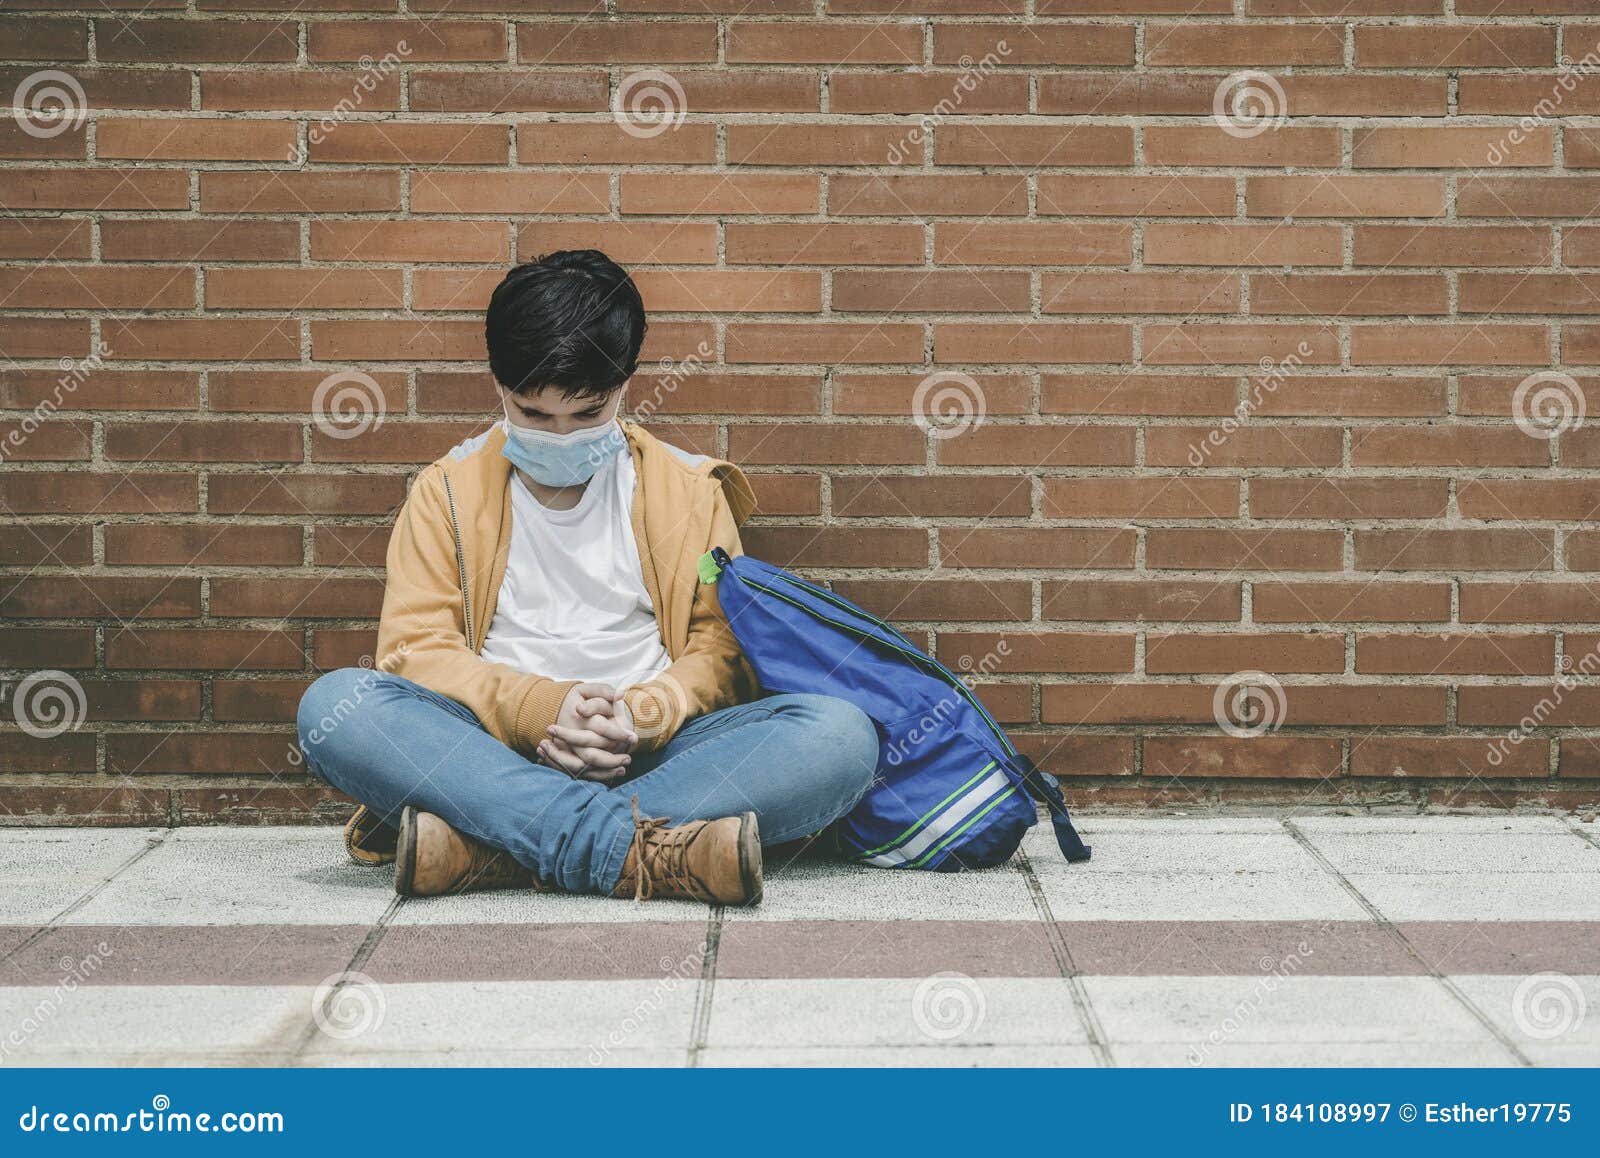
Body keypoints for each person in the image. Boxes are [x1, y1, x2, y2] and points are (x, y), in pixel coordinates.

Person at [295, 250, 879, 905]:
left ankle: (493, 849)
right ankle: (641, 850)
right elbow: (415, 654)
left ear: (625, 386)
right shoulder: (446, 494)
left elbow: (723, 652)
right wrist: (542, 710)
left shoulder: (688, 491)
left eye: (587, 414)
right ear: (499, 386)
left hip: (657, 754)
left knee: (841, 737)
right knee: (334, 708)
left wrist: (643, 712)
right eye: (535, 416)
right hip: (497, 758)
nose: (561, 437)